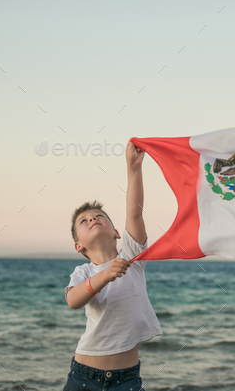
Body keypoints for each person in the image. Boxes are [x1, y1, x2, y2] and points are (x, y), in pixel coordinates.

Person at [63, 141, 162, 391]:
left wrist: (133, 169)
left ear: (117, 232)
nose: (93, 218)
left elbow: (135, 213)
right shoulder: (83, 272)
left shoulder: (132, 255)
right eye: (84, 221)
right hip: (84, 376)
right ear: (78, 246)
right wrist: (105, 275)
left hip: (126, 379)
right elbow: (73, 300)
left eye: (99, 216)